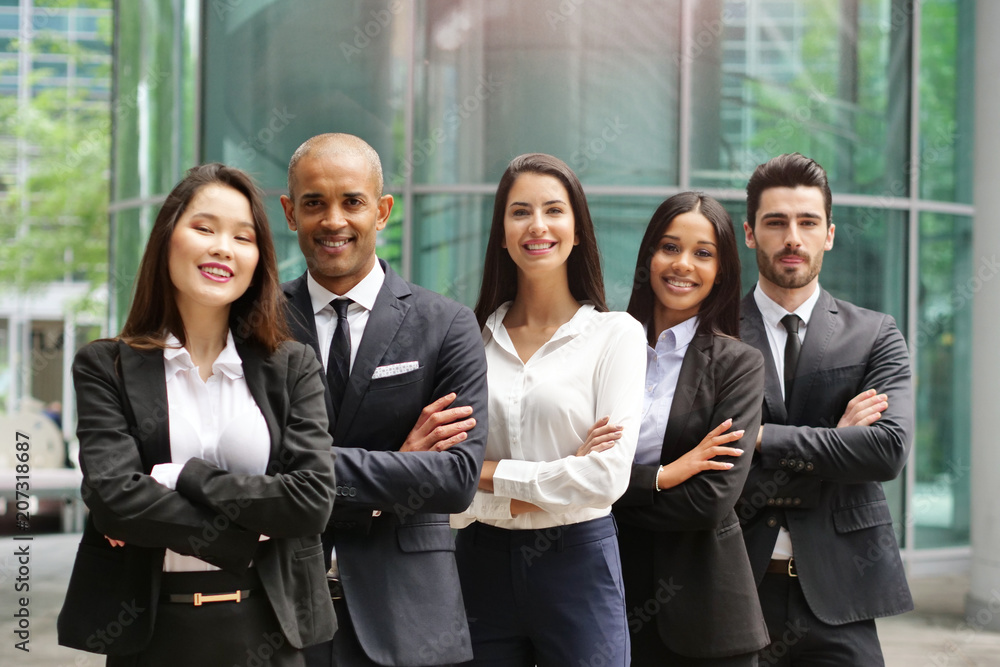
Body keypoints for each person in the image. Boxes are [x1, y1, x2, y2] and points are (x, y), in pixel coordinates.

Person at [57, 163, 336, 666]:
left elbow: (312, 501)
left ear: (259, 259)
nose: (222, 248)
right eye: (204, 228)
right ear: (168, 238)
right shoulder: (107, 365)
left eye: (242, 237)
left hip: (268, 631)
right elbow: (114, 498)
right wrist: (244, 534)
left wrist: (181, 476)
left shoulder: (293, 366)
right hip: (153, 632)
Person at [280, 133, 489, 667]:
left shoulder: (446, 324)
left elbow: (457, 479)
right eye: (313, 203)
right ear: (289, 212)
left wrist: (305, 472)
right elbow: (246, 467)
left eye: (352, 201)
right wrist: (400, 464)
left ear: (382, 211)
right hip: (281, 612)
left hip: (410, 617)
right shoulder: (257, 323)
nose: (333, 220)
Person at [452, 153, 646, 665]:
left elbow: (605, 478)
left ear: (577, 229)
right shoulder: (468, 339)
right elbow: (443, 486)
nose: (537, 225)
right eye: (520, 212)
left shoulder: (615, 335)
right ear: (501, 233)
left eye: (554, 210)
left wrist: (487, 473)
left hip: (578, 563)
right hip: (479, 564)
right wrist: (539, 489)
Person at [736, 153, 914, 665]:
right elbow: (707, 460)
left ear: (829, 234)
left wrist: (763, 438)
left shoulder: (876, 334)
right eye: (776, 222)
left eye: (808, 222)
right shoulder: (716, 333)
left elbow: (886, 452)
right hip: (734, 589)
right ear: (750, 233)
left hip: (843, 595)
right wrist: (837, 441)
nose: (793, 237)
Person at [611, 192, 769, 665]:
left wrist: (604, 499)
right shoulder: (605, 344)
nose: (683, 264)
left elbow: (710, 500)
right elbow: (564, 465)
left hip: (706, 619)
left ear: (721, 270)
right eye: (670, 247)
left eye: (703, 253)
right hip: (604, 599)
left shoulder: (738, 365)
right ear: (648, 256)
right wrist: (667, 475)